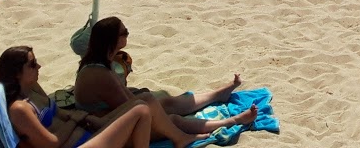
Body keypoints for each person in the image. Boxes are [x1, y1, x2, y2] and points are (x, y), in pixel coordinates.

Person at [73, 18, 253, 148]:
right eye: (125, 32)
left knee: (164, 102)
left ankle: (218, 94)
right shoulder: (101, 74)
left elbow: (128, 102)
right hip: (106, 129)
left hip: (109, 118)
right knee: (169, 117)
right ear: (113, 40)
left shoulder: (99, 63)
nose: (128, 34)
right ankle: (230, 121)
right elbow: (133, 107)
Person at [0, 46, 154, 148]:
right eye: (32, 64)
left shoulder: (32, 89)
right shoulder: (19, 108)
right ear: (16, 73)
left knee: (141, 102)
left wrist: (82, 118)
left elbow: (58, 112)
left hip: (86, 135)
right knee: (140, 111)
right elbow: (52, 143)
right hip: (78, 144)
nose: (39, 66)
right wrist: (74, 120)